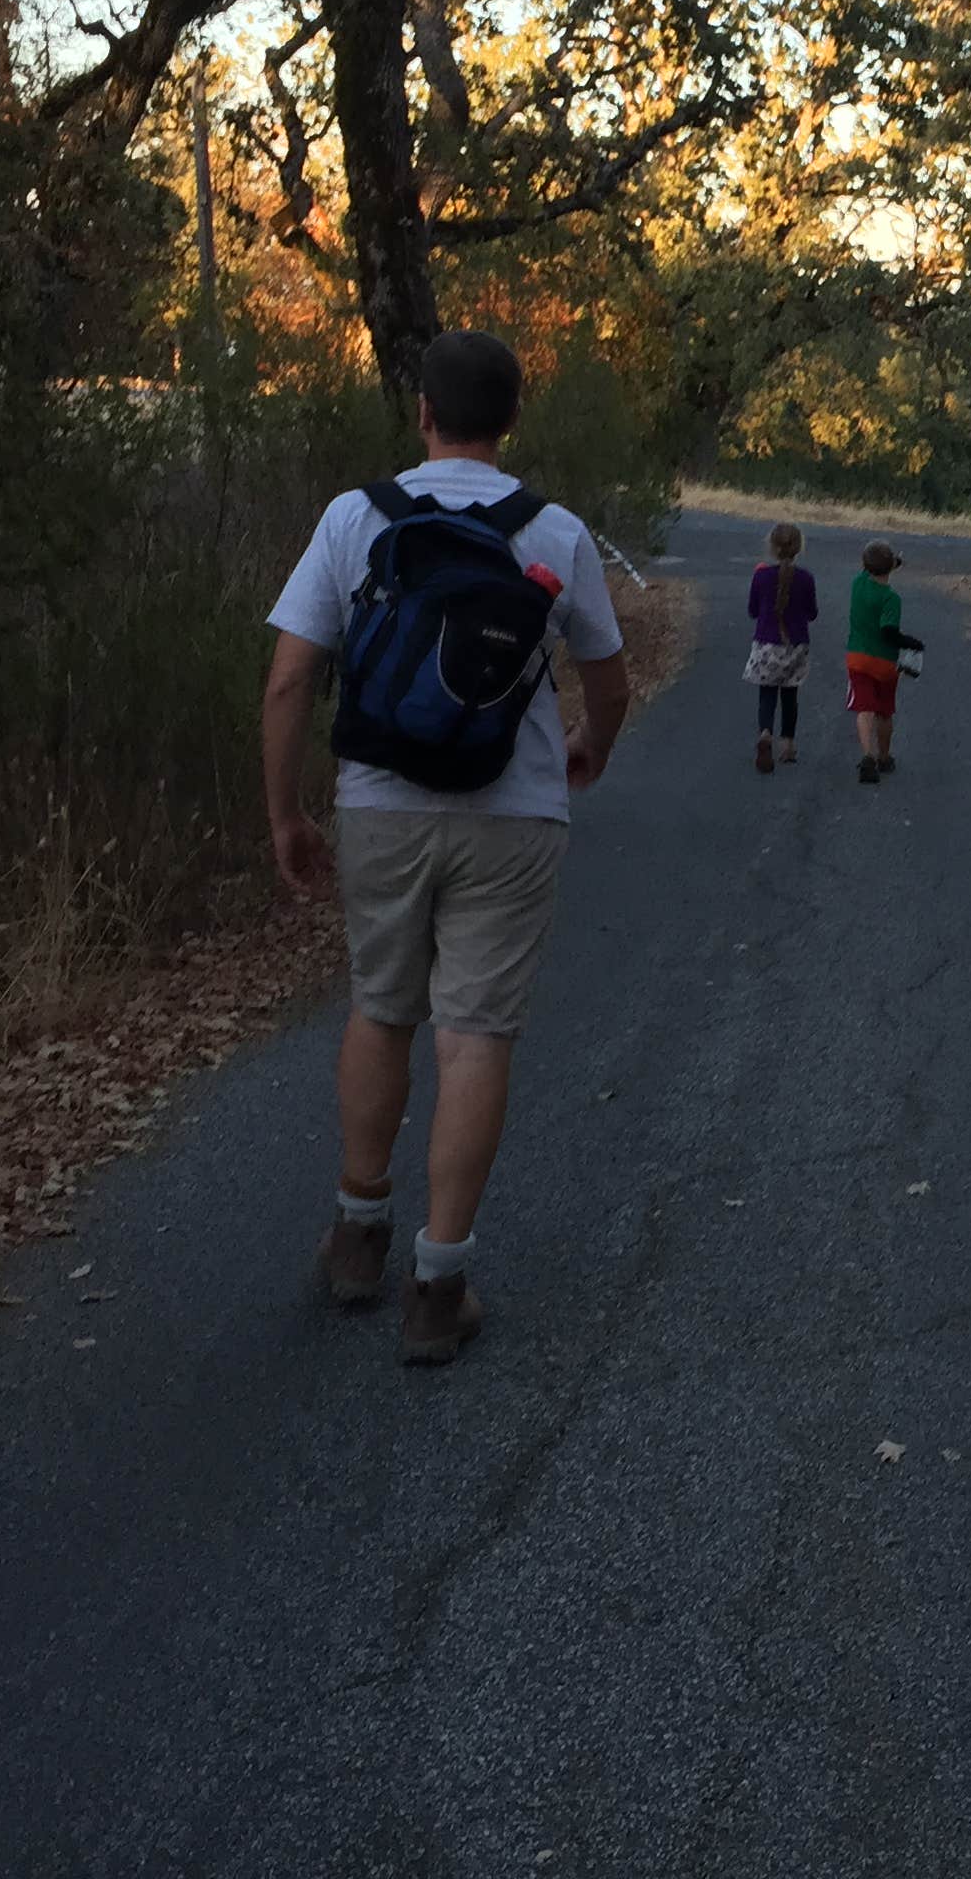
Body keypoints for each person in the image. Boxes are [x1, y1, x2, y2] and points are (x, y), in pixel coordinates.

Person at [260, 329, 630, 1367]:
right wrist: (593, 745)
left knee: (382, 1008)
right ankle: (440, 1282)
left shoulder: (353, 518)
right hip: (513, 813)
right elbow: (607, 675)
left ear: (422, 411)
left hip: (379, 800)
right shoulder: (553, 531)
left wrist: (287, 812)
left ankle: (355, 1234)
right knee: (475, 1034)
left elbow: (291, 680)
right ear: (511, 421)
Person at [743, 522, 819, 773]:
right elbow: (812, 613)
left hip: (766, 643)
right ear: (799, 548)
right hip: (795, 645)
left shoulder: (761, 576)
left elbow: (753, 611)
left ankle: (765, 733)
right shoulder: (806, 579)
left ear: (772, 547)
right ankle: (788, 745)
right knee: (790, 695)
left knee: (767, 693)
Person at [844, 540, 921, 786]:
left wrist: (888, 562)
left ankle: (867, 756)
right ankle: (884, 756)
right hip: (884, 663)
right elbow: (889, 632)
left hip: (857, 658)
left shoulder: (858, 584)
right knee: (884, 712)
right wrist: (911, 642)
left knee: (864, 708)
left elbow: (871, 566)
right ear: (890, 568)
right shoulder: (891, 598)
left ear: (865, 566)